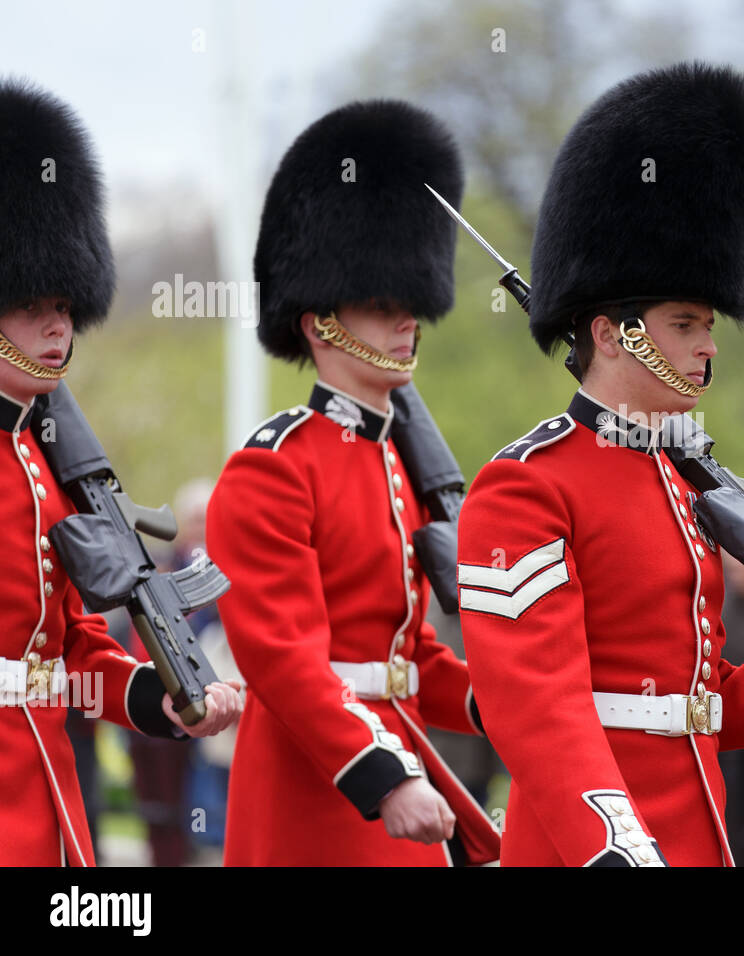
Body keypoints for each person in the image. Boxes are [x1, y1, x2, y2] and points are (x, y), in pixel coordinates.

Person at [456, 62, 744, 867]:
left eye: (707, 322)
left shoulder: (680, 480)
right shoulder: (527, 484)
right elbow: (537, 711)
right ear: (611, 333)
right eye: (683, 323)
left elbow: (697, 703)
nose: (707, 345)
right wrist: (619, 848)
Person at [205, 100, 500, 866]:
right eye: (381, 306)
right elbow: (285, 660)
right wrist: (381, 776)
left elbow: (406, 657)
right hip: (321, 787)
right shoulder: (275, 466)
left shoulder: (396, 465)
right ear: (317, 321)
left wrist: (505, 702)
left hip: (396, 764)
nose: (407, 324)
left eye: (411, 306)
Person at [0, 79, 241, 867]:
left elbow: (66, 651)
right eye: (32, 301)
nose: (59, 323)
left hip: (50, 794)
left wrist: (165, 699)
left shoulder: (43, 456)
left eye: (66, 302)